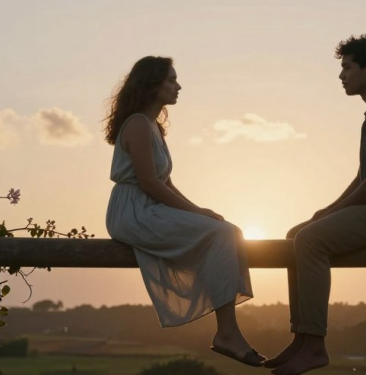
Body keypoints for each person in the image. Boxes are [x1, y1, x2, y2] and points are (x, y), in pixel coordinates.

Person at [266, 35, 366, 375]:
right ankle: (300, 338)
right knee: (296, 233)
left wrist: (332, 215)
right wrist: (327, 211)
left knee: (311, 239)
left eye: (347, 67)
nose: (341, 75)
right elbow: (363, 178)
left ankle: (315, 346)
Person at [104, 56, 264, 367]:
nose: (178, 86)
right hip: (133, 211)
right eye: (171, 80)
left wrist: (199, 211)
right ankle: (227, 333)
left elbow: (167, 183)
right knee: (222, 233)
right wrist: (196, 213)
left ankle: (228, 332)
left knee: (227, 231)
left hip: (150, 205)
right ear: (152, 84)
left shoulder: (153, 128)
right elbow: (149, 184)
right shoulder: (137, 124)